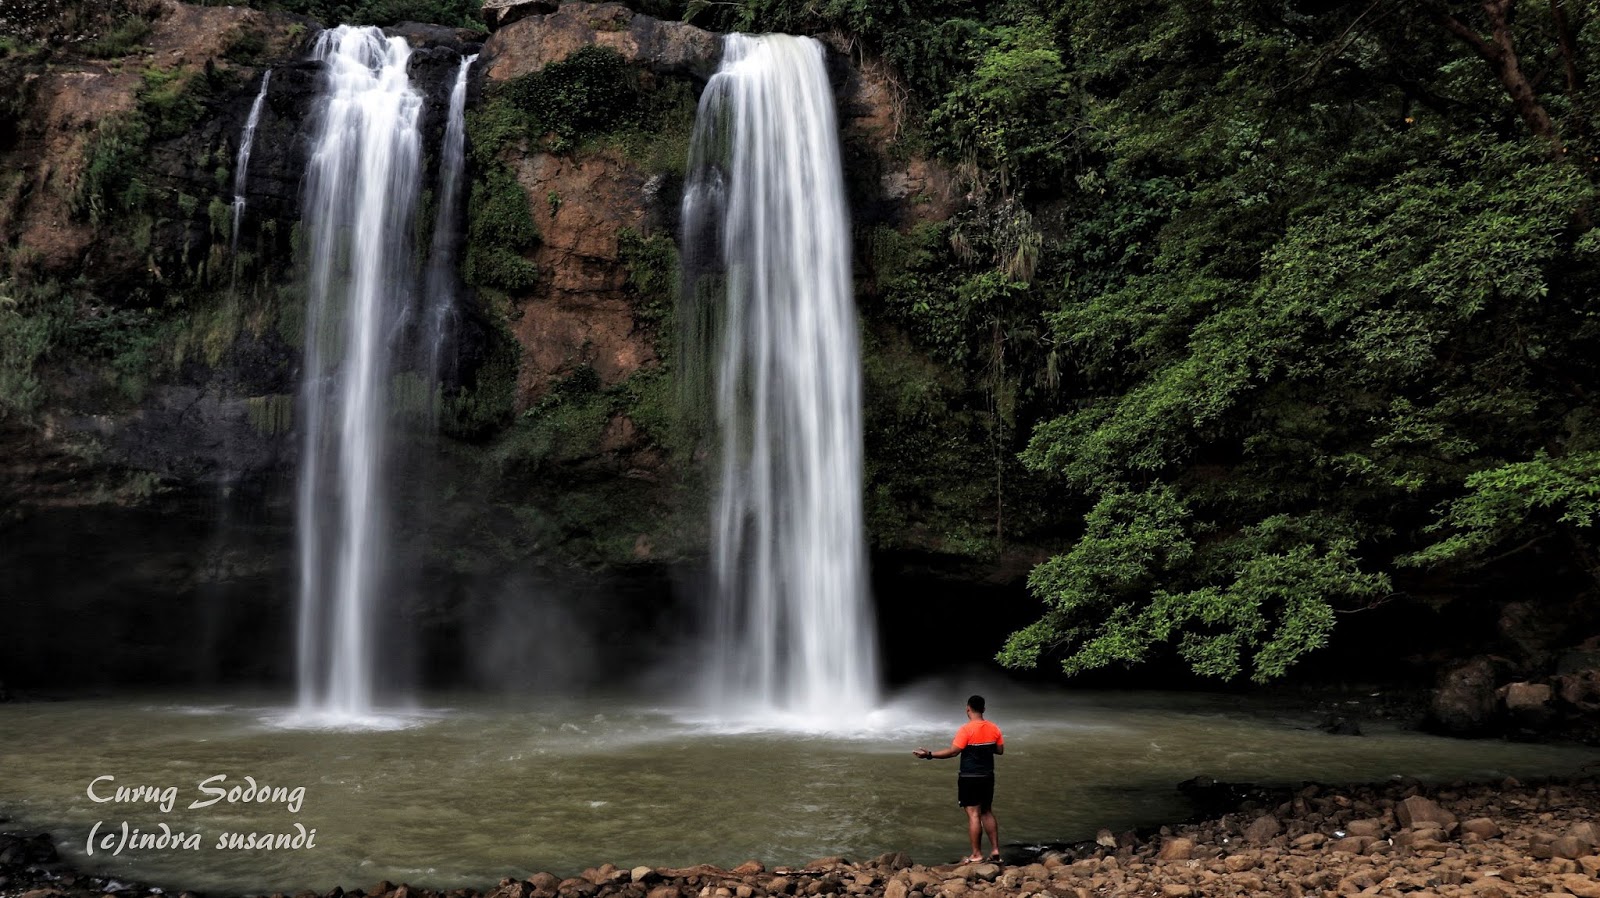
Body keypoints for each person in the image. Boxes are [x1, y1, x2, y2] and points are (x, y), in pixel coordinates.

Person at [913, 694, 1004, 863]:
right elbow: (999, 751)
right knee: (987, 811)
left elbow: (953, 751)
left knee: (973, 814)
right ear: (984, 709)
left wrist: (929, 755)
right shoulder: (994, 728)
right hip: (987, 775)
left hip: (969, 777)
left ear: (967, 709)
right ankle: (995, 850)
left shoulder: (966, 729)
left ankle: (976, 854)